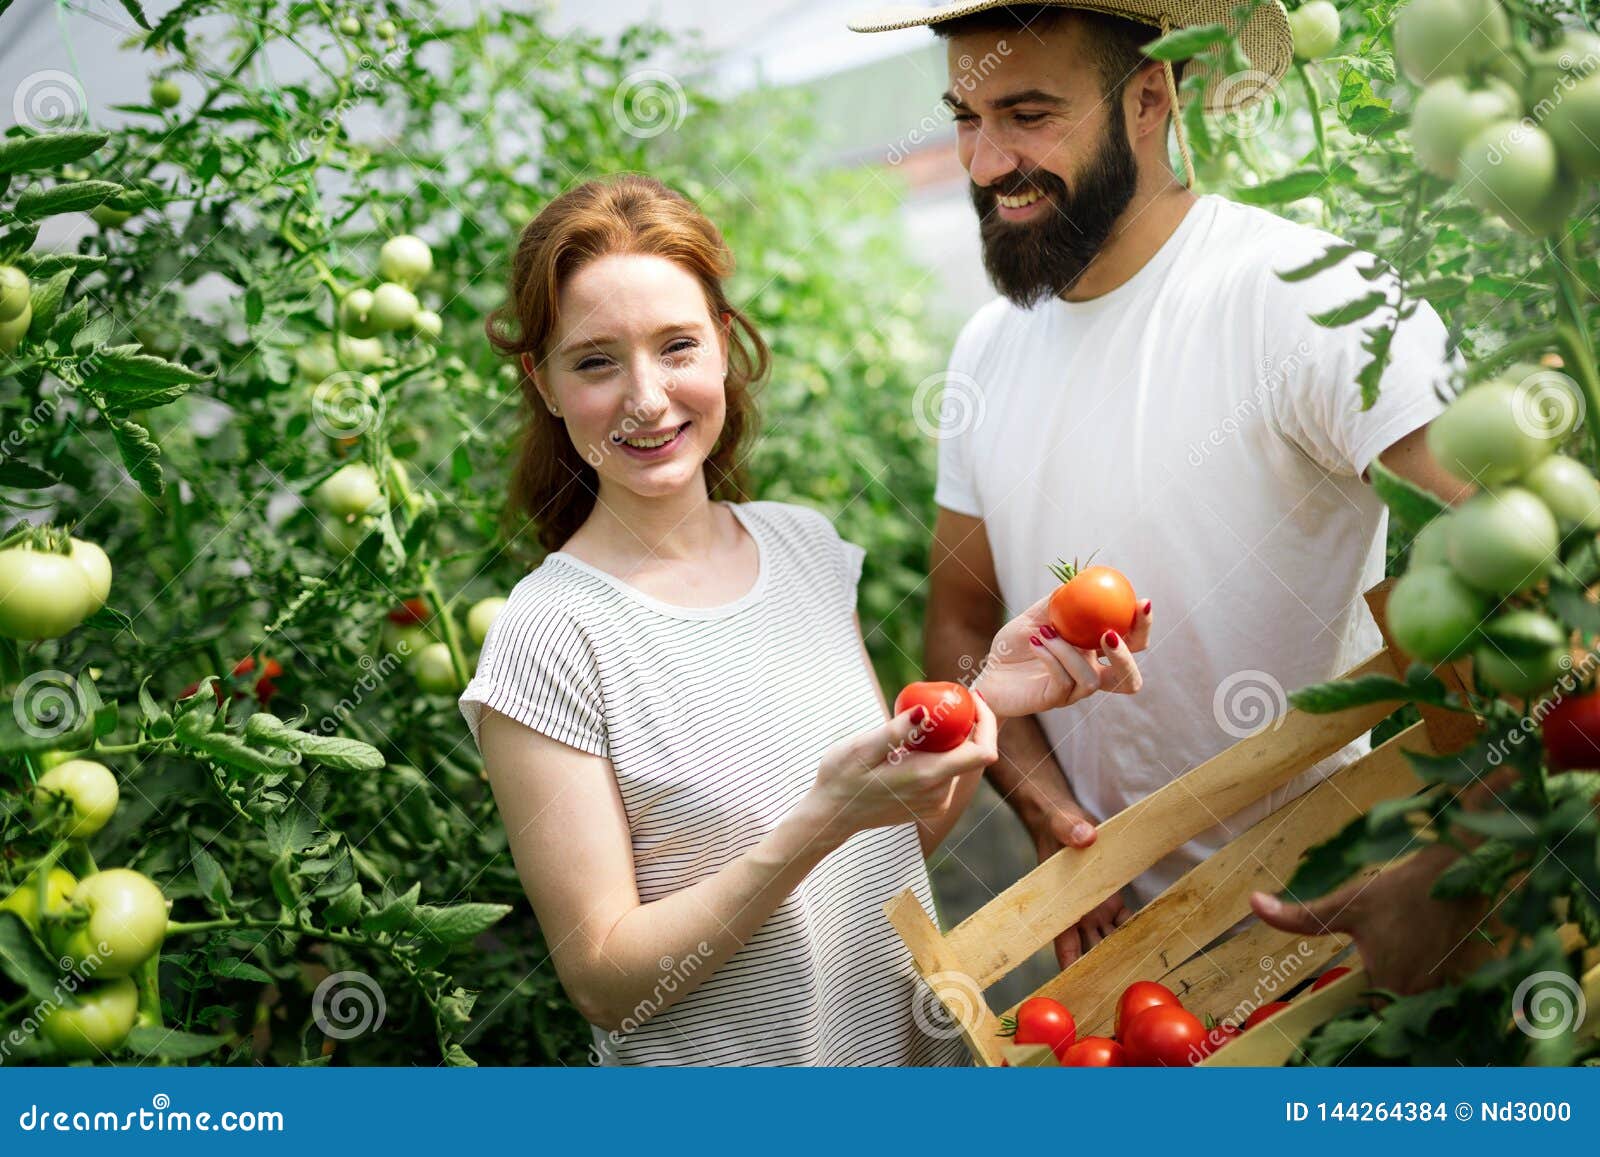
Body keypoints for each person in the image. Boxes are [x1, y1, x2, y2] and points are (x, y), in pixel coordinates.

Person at [459, 174, 1143, 1065]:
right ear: (542, 383)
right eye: (595, 361)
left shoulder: (803, 551)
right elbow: (603, 977)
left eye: (677, 347)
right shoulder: (549, 636)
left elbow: (881, 853)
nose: (647, 398)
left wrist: (986, 702)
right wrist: (814, 822)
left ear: (724, 348)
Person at [847, 1, 1471, 966]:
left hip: (1338, 918)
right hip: (1125, 962)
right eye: (967, 118)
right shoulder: (983, 354)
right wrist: (1049, 810)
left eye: (1028, 114)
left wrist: (1451, 855)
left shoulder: (1307, 296)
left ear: (1149, 98)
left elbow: (1515, 576)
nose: (982, 164)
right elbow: (963, 623)